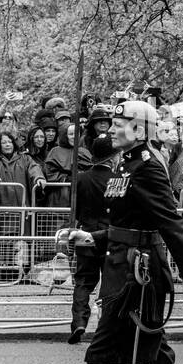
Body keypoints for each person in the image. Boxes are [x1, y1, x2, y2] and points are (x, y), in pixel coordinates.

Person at [19, 100, 183, 364]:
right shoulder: (125, 164)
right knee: (161, 358)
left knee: (100, 354)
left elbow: (169, 221)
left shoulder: (148, 166)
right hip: (123, 268)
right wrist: (91, 238)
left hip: (137, 277)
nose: (111, 130)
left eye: (120, 123)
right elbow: (126, 223)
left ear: (140, 128)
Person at [66, 135, 116, 343]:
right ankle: (107, 326)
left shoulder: (82, 178)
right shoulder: (117, 180)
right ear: (113, 156)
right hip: (108, 236)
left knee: (83, 283)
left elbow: (74, 210)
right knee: (110, 283)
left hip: (85, 234)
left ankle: (79, 322)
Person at [0, 131, 46, 206]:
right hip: (2, 206)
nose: (8, 145)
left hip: (23, 204)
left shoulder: (25, 158)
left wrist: (38, 178)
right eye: (4, 143)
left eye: (10, 142)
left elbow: (34, 168)